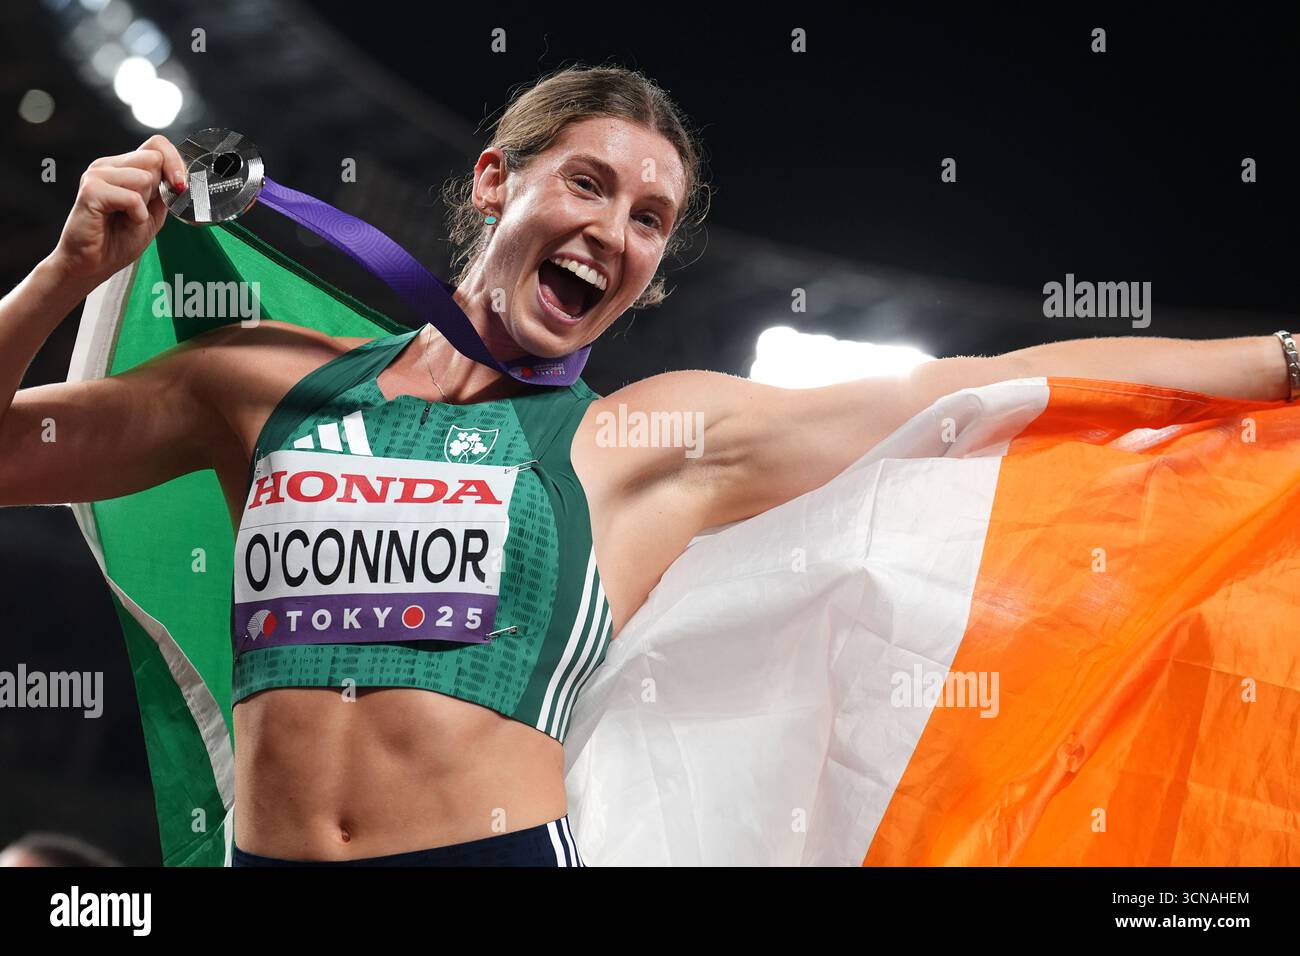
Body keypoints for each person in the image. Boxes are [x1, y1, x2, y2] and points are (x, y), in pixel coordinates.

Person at [1, 65, 1294, 866]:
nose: (614, 231)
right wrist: (67, 274)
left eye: (650, 220)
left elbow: (966, 392)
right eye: (589, 183)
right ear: (495, 181)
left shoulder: (640, 441)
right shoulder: (264, 381)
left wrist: (1278, 358)